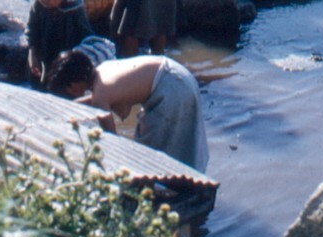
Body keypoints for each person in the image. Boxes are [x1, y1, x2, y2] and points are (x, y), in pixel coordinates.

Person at [45, 49, 208, 171]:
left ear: (73, 85)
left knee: (154, 156)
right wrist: (65, 108)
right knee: (178, 144)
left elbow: (112, 139)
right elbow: (106, 98)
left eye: (67, 90)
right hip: (178, 76)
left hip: (172, 87)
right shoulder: (104, 69)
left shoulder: (101, 94)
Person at [26, 0, 94, 83]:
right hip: (46, 55)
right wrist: (32, 53)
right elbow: (31, 31)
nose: (50, 2)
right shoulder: (38, 6)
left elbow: (87, 36)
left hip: (69, 59)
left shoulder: (74, 8)